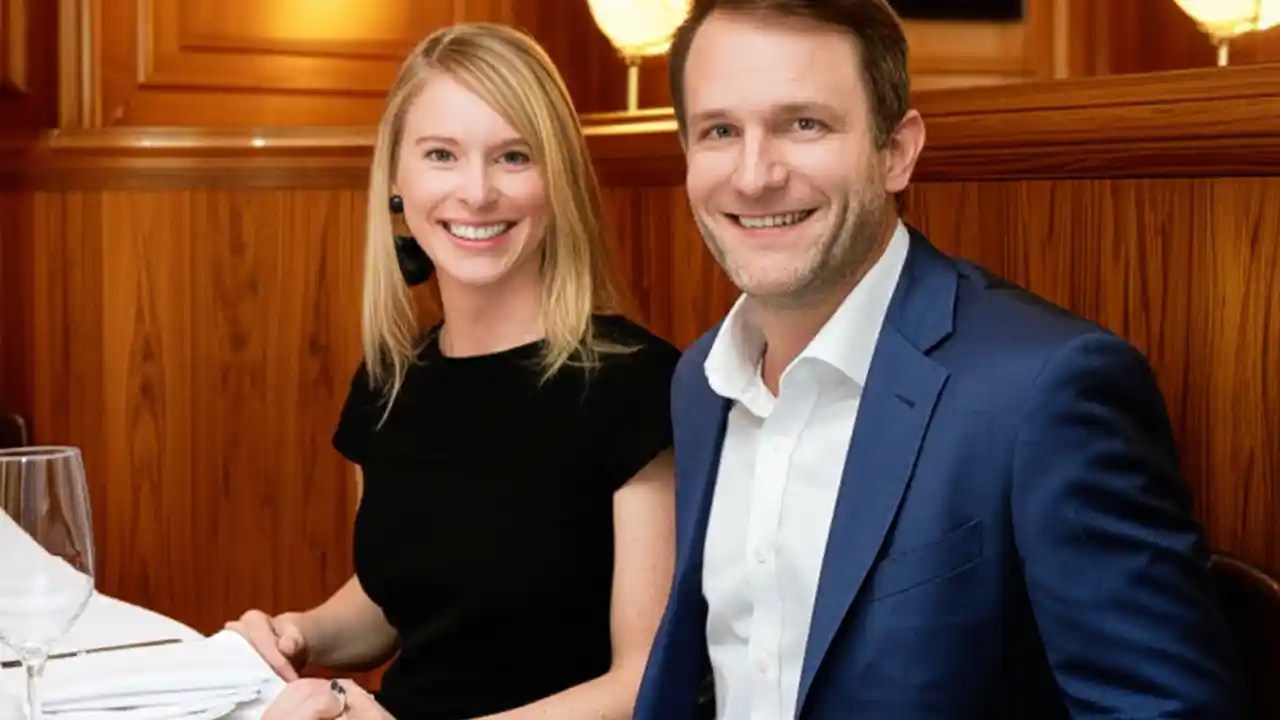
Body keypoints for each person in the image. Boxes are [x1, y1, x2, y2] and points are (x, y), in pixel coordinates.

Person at [634, 1, 1244, 718]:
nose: (755, 173)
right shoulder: (701, 379)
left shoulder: (1045, 391)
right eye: (719, 131)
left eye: (804, 124)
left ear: (897, 151)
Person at [227, 22, 680, 720]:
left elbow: (643, 681)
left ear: (556, 181)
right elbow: (398, 602)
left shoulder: (638, 386)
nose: (476, 191)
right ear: (398, 183)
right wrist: (297, 633)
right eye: (442, 154)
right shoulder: (389, 384)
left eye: (512, 157)